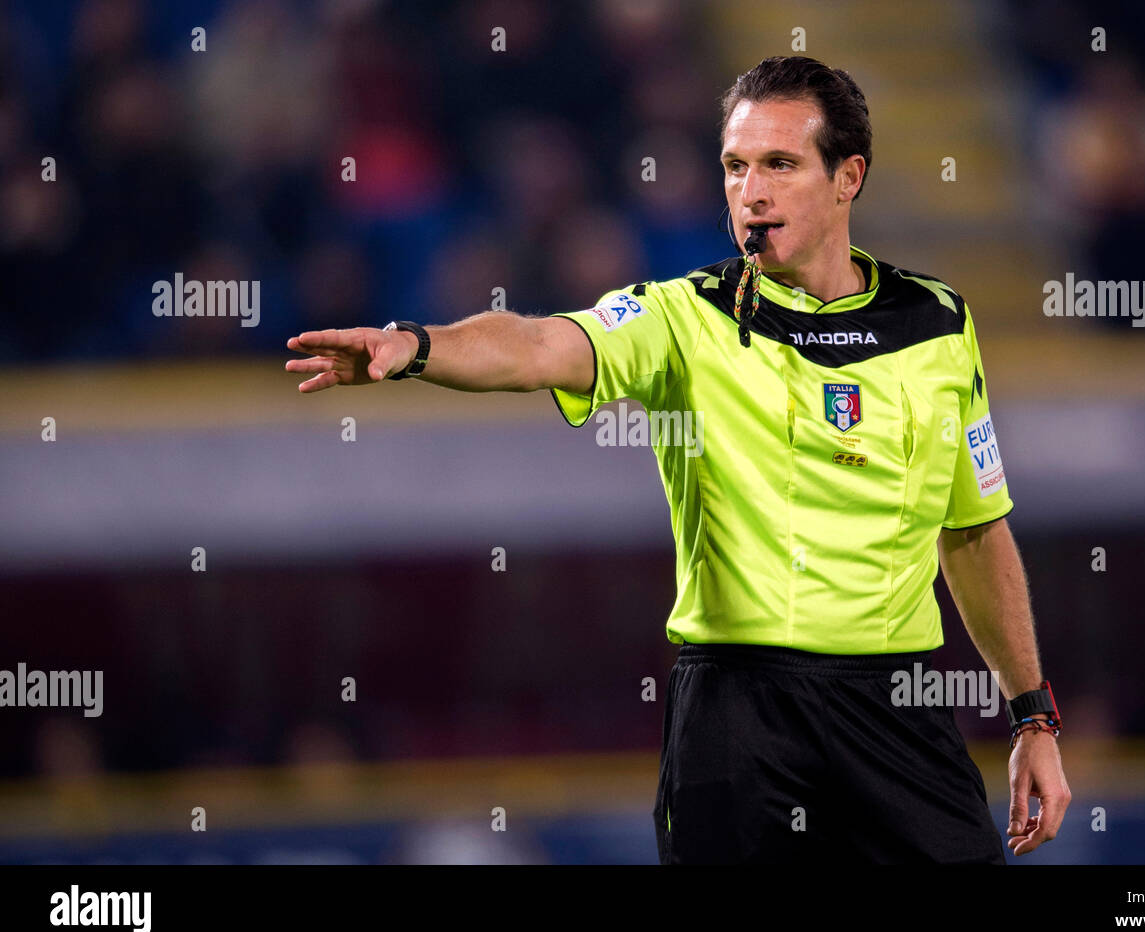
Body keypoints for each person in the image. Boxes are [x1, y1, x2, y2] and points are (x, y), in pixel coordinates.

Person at [285, 55, 1070, 864]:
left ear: (849, 178)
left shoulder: (938, 324)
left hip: (898, 707)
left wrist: (1032, 716)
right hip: (739, 715)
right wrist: (415, 345)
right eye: (735, 166)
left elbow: (974, 528)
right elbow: (536, 343)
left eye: (780, 165)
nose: (751, 191)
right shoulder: (683, 316)